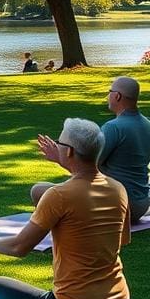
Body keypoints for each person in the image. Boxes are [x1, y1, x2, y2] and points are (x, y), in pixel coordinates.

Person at [0, 118, 130, 299]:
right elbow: (121, 240)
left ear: (69, 152)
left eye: (59, 142)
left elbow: (18, 247)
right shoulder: (118, 189)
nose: (56, 145)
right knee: (40, 189)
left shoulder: (58, 196)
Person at [35, 77, 150, 224]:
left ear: (117, 96)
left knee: (38, 190)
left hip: (117, 204)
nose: (108, 96)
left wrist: (59, 157)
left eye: (110, 92)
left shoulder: (114, 127)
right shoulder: (147, 124)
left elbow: (88, 172)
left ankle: (55, 231)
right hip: (141, 204)